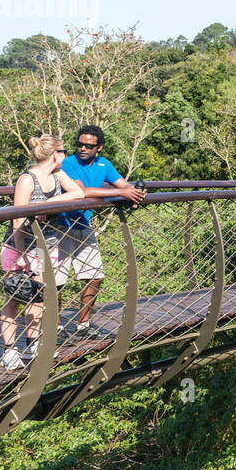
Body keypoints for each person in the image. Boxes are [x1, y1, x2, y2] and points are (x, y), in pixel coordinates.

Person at [0, 136, 84, 370]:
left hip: (46, 246)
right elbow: (17, 217)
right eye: (64, 151)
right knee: (14, 297)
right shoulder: (28, 179)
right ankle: (9, 351)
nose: (66, 156)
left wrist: (49, 202)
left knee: (37, 296)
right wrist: (21, 254)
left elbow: (79, 193)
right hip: (20, 246)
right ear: (55, 154)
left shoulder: (58, 175)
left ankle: (32, 344)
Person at [56, 124, 146, 336]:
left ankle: (83, 326)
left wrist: (136, 191)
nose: (83, 149)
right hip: (60, 226)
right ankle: (56, 328)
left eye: (89, 146)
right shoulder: (68, 164)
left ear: (99, 148)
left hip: (83, 225)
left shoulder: (103, 164)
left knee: (94, 276)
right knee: (56, 282)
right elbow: (81, 191)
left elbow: (123, 186)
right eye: (79, 144)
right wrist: (121, 193)